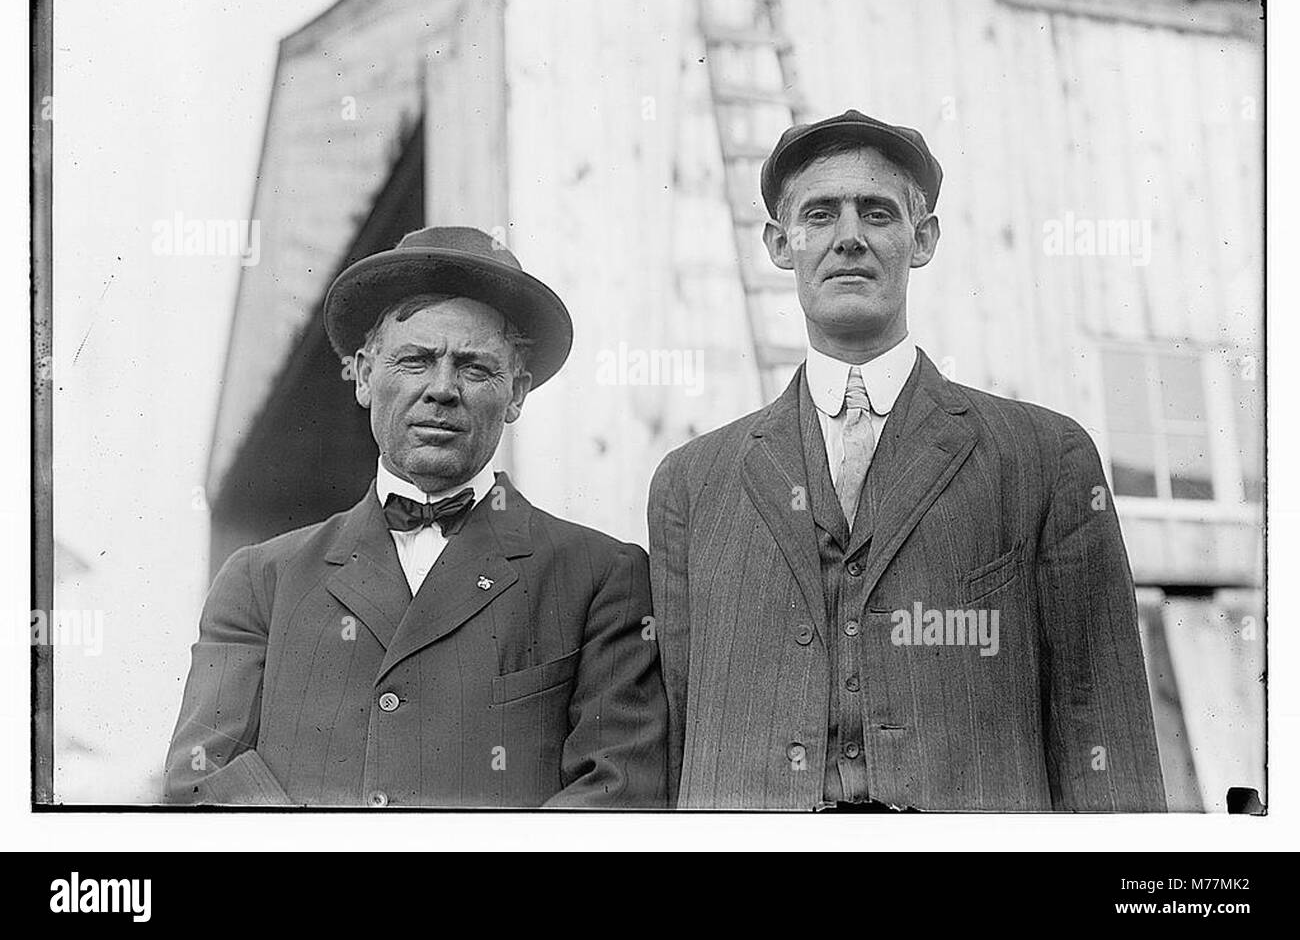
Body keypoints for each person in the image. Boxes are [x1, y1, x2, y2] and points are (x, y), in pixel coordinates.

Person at [647, 110, 1166, 811]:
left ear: (922, 240)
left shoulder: (1044, 458)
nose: (850, 238)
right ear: (778, 244)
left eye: (879, 213)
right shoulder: (691, 485)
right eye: (820, 215)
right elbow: (680, 737)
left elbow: (1102, 724)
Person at [165, 226, 668, 807]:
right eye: (415, 361)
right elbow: (203, 776)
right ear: (362, 375)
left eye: (475, 368)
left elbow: (615, 792)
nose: (442, 389)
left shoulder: (602, 577)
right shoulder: (260, 581)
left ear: (517, 393)